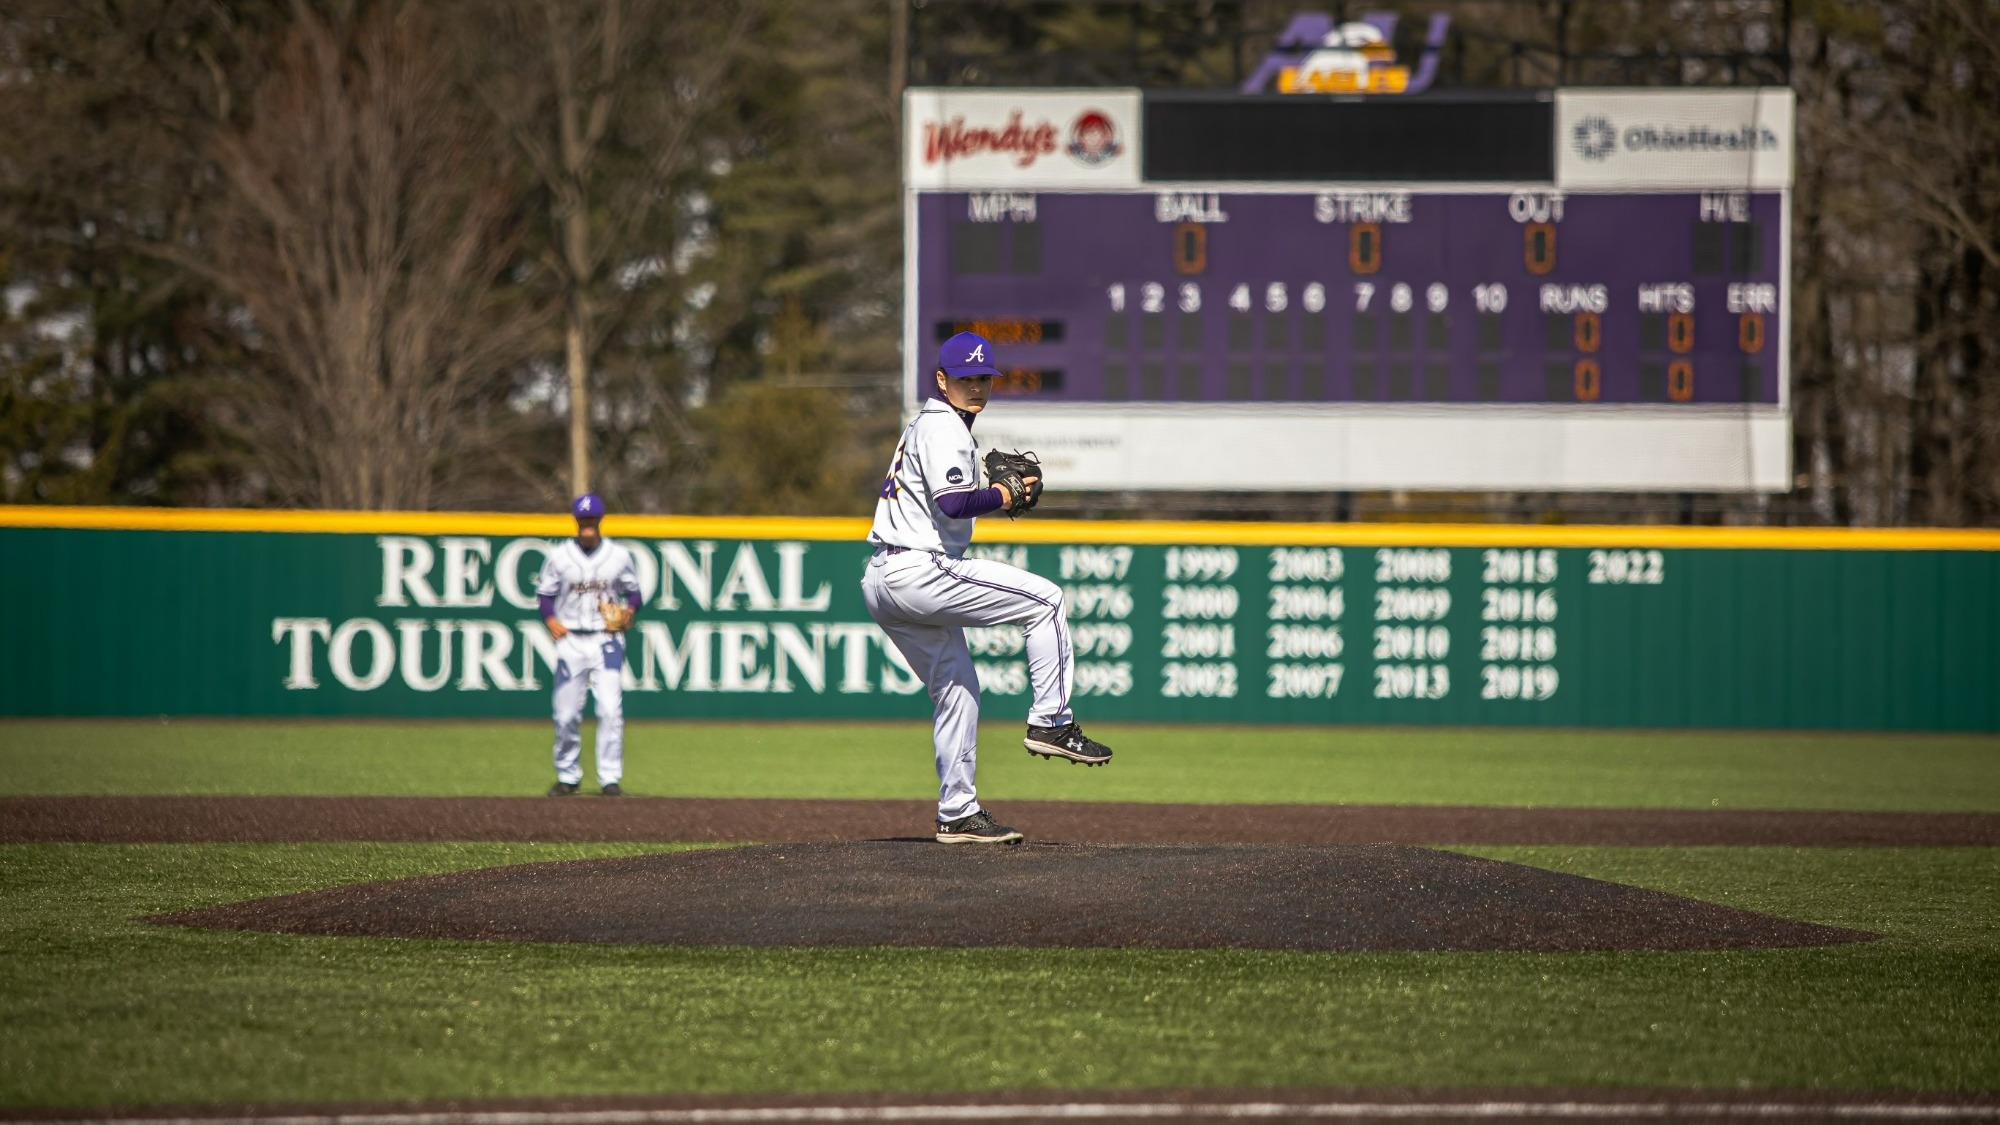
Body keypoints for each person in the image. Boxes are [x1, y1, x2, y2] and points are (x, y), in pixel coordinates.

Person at [862, 331, 1113, 845]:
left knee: (957, 688)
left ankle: (957, 813)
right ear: (942, 381)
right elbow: (954, 503)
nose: (975, 387)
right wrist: (1002, 493)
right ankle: (1051, 721)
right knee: (1046, 601)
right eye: (965, 378)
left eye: (983, 378)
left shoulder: (929, 425)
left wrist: (994, 491)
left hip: (884, 577)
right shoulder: (944, 426)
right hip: (919, 570)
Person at [537, 493, 642, 797]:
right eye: (582, 518)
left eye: (591, 519)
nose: (587, 523)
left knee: (610, 710)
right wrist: (550, 619)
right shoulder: (559, 556)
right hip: (570, 639)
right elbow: (545, 595)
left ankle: (609, 778)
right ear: (576, 520)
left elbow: (635, 593)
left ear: (599, 520)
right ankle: (567, 775)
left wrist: (630, 610)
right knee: (566, 714)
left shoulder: (618, 556)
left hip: (606, 639)